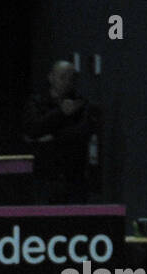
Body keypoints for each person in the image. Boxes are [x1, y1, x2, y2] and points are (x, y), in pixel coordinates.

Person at [22, 60, 99, 204]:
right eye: (62, 77)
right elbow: (33, 129)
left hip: (74, 178)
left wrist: (52, 137)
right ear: (51, 77)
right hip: (45, 177)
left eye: (72, 78)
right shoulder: (37, 102)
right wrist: (61, 113)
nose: (67, 82)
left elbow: (81, 134)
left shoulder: (82, 105)